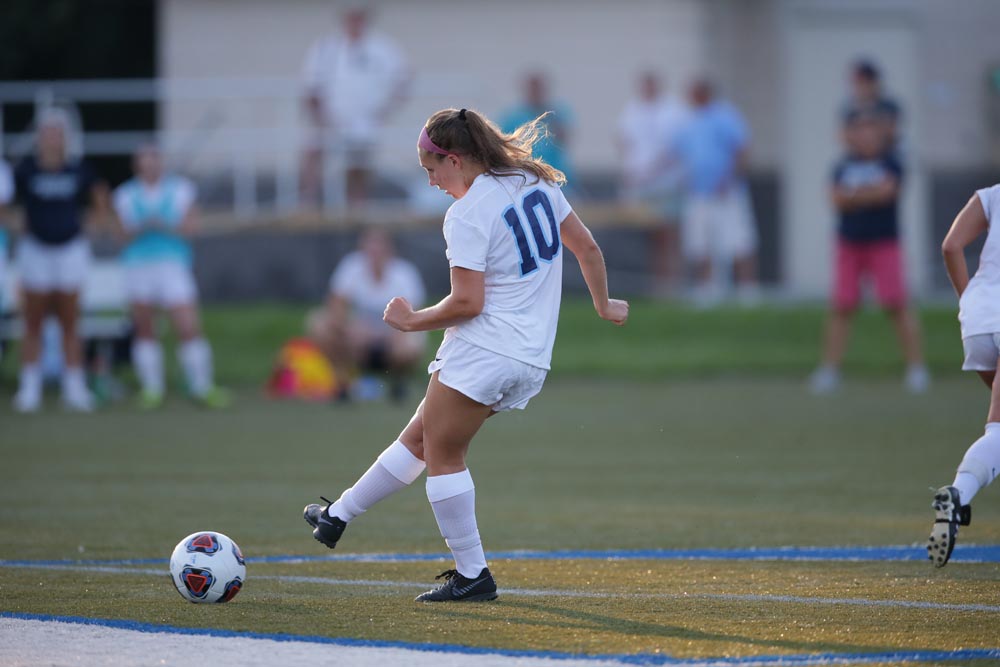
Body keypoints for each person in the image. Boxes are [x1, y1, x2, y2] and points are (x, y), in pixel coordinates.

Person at [303, 108, 629, 602]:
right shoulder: (534, 180)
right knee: (421, 437)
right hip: (530, 358)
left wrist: (410, 320)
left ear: (454, 159)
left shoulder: (467, 212)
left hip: (485, 350)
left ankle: (473, 575)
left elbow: (467, 304)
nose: (431, 182)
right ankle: (338, 516)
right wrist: (603, 305)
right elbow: (587, 249)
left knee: (444, 454)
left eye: (431, 169)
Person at [809, 111, 928, 394]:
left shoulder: (892, 163)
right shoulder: (842, 166)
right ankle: (829, 369)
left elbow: (887, 193)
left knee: (897, 304)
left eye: (870, 129)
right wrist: (867, 194)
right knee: (841, 306)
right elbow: (835, 198)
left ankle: (916, 368)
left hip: (884, 243)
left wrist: (853, 195)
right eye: (859, 129)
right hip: (849, 243)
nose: (865, 135)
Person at [112, 143, 229, 409]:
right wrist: (141, 227)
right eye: (144, 159)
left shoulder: (181, 190)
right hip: (139, 266)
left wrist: (164, 224)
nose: (150, 164)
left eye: (154, 158)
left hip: (172, 264)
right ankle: (152, 389)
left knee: (188, 325)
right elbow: (120, 235)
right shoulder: (125, 195)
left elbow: (190, 227)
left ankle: (202, 386)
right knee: (145, 327)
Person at [11, 108, 108, 413]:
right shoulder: (26, 170)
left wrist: (95, 223)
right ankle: (29, 388)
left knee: (70, 320)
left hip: (70, 250)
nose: (52, 139)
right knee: (33, 320)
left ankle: (74, 387)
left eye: (57, 134)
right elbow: (7, 201)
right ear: (38, 138)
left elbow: (100, 195)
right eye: (47, 133)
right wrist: (14, 222)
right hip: (36, 250)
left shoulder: (78, 169)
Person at [930, 183, 1000, 566]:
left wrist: (970, 302)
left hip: (978, 320)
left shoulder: (993, 194)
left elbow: (950, 246)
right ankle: (958, 495)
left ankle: (957, 496)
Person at [300, 4, 410, 209]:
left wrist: (382, 112)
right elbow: (311, 88)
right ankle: (307, 203)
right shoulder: (326, 48)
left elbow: (403, 80)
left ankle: (356, 206)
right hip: (328, 120)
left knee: (358, 165)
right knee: (312, 153)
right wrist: (321, 119)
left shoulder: (382, 48)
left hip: (363, 121)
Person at [308, 227, 426, 401]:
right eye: (370, 246)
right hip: (357, 336)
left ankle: (398, 381)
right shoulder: (351, 266)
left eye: (379, 246)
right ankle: (342, 382)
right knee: (319, 323)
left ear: (389, 249)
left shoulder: (404, 273)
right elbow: (335, 305)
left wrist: (384, 334)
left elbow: (414, 315)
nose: (375, 253)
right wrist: (348, 327)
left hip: (393, 336)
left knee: (412, 342)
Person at [672, 78, 758, 305]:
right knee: (700, 242)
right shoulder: (688, 121)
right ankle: (707, 289)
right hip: (698, 193)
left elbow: (742, 149)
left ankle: (747, 289)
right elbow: (678, 154)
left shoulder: (725, 116)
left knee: (738, 241)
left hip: (727, 192)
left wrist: (729, 179)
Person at [617, 71, 688, 294]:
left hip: (666, 184)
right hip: (640, 184)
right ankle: (655, 284)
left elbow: (675, 148)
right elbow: (624, 141)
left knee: (668, 235)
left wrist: (654, 170)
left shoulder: (673, 111)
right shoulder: (632, 110)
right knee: (650, 237)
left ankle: (672, 283)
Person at [500, 72, 574, 184]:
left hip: (556, 173)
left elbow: (565, 138)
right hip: (525, 175)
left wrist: (550, 118)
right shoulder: (513, 116)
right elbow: (504, 144)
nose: (536, 93)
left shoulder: (556, 112)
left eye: (539, 89)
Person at [842, 59, 902, 155]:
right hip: (857, 157)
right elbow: (843, 137)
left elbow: (892, 134)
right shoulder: (849, 109)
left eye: (865, 83)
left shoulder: (889, 107)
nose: (862, 88)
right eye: (859, 83)